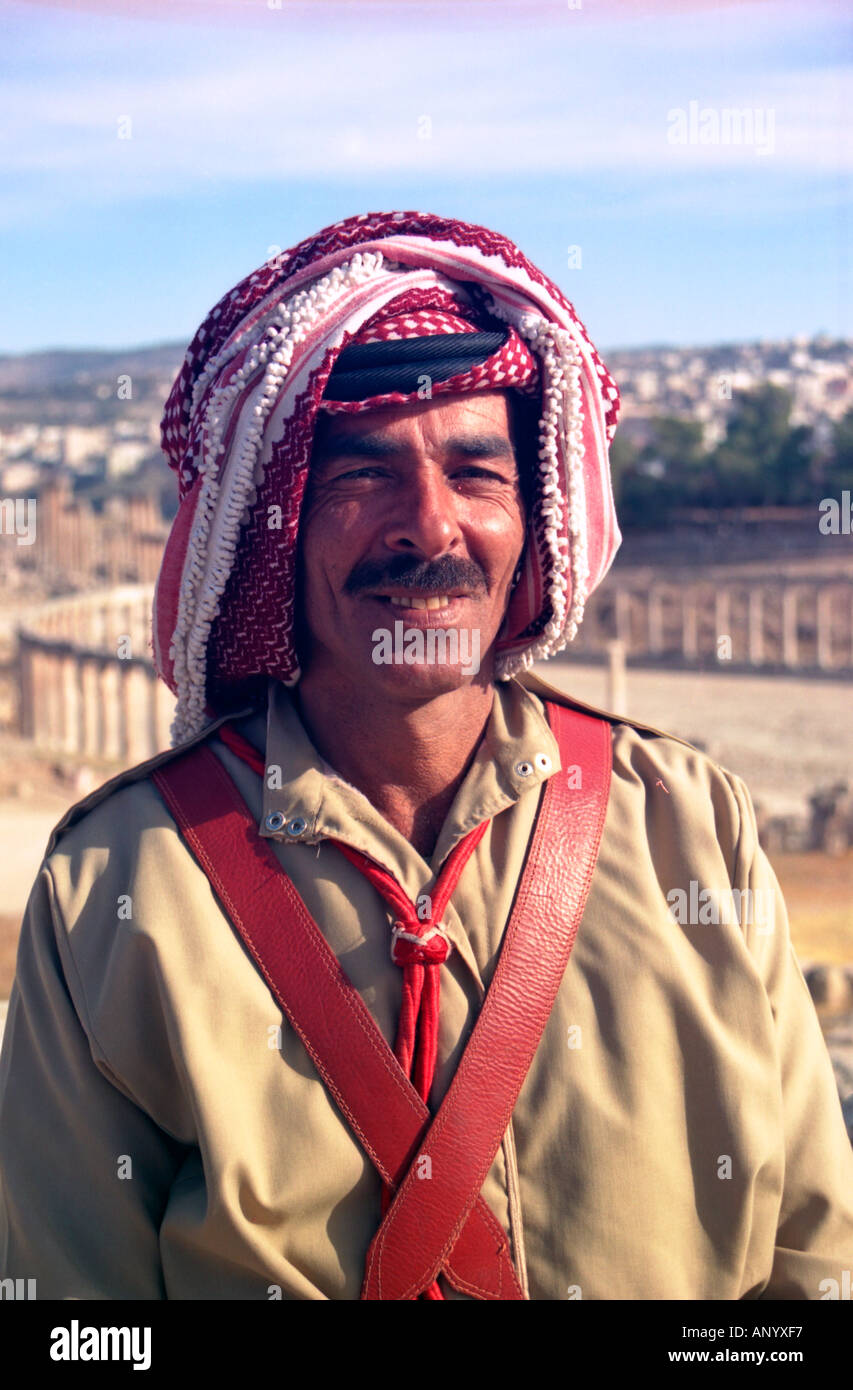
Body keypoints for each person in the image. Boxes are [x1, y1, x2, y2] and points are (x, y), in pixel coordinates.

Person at [1, 211, 851, 1301]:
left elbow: (811, 1268)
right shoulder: (115, 886)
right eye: (365, 476)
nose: (429, 526)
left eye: (475, 472)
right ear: (280, 524)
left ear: (531, 517)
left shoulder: (695, 830)